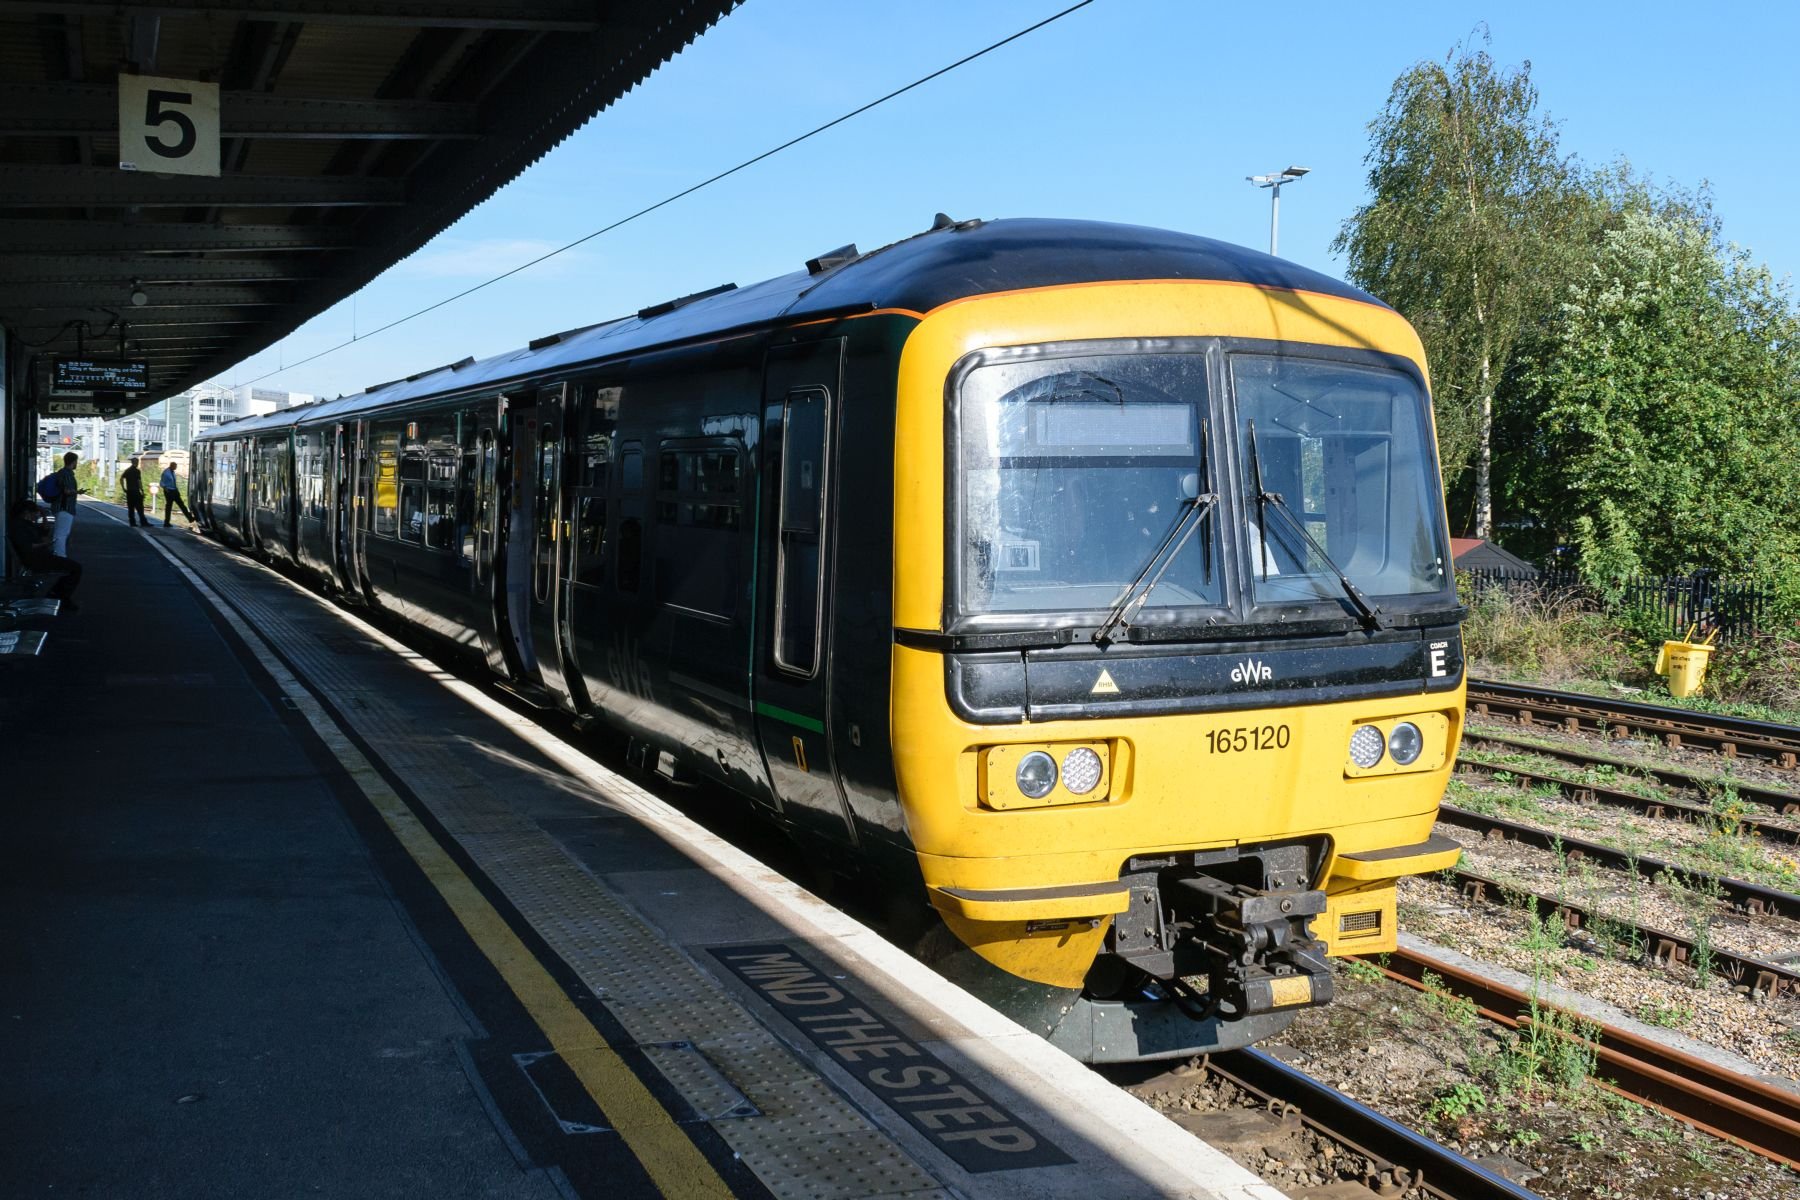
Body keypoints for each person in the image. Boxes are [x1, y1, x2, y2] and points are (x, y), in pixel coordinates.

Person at [7, 498, 82, 613]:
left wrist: (44, 515)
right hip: (36, 560)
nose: (36, 516)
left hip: (40, 558)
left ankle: (57, 596)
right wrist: (45, 544)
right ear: (26, 512)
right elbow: (28, 546)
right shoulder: (19, 526)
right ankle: (59, 597)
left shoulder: (25, 524)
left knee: (73, 567)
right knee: (76, 568)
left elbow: (45, 530)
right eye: (35, 513)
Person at [50, 450, 85, 556]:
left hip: (60, 507)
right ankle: (60, 557)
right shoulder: (67, 474)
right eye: (76, 461)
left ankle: (58, 555)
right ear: (73, 462)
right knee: (61, 534)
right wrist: (78, 492)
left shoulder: (61, 472)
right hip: (65, 508)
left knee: (60, 534)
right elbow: (66, 491)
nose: (76, 464)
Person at [160, 461, 194, 527]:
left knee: (181, 504)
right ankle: (166, 522)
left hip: (174, 490)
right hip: (169, 491)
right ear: (171, 466)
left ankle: (190, 518)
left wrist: (176, 490)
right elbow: (161, 482)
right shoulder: (166, 473)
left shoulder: (173, 472)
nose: (176, 467)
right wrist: (166, 489)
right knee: (169, 507)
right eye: (175, 466)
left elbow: (173, 482)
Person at [122, 456, 149, 526]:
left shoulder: (127, 470)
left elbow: (121, 478)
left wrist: (124, 488)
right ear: (136, 463)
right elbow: (139, 481)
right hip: (136, 491)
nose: (138, 463)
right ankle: (143, 522)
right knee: (140, 507)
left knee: (131, 508)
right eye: (137, 462)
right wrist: (142, 490)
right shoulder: (137, 471)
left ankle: (132, 522)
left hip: (129, 492)